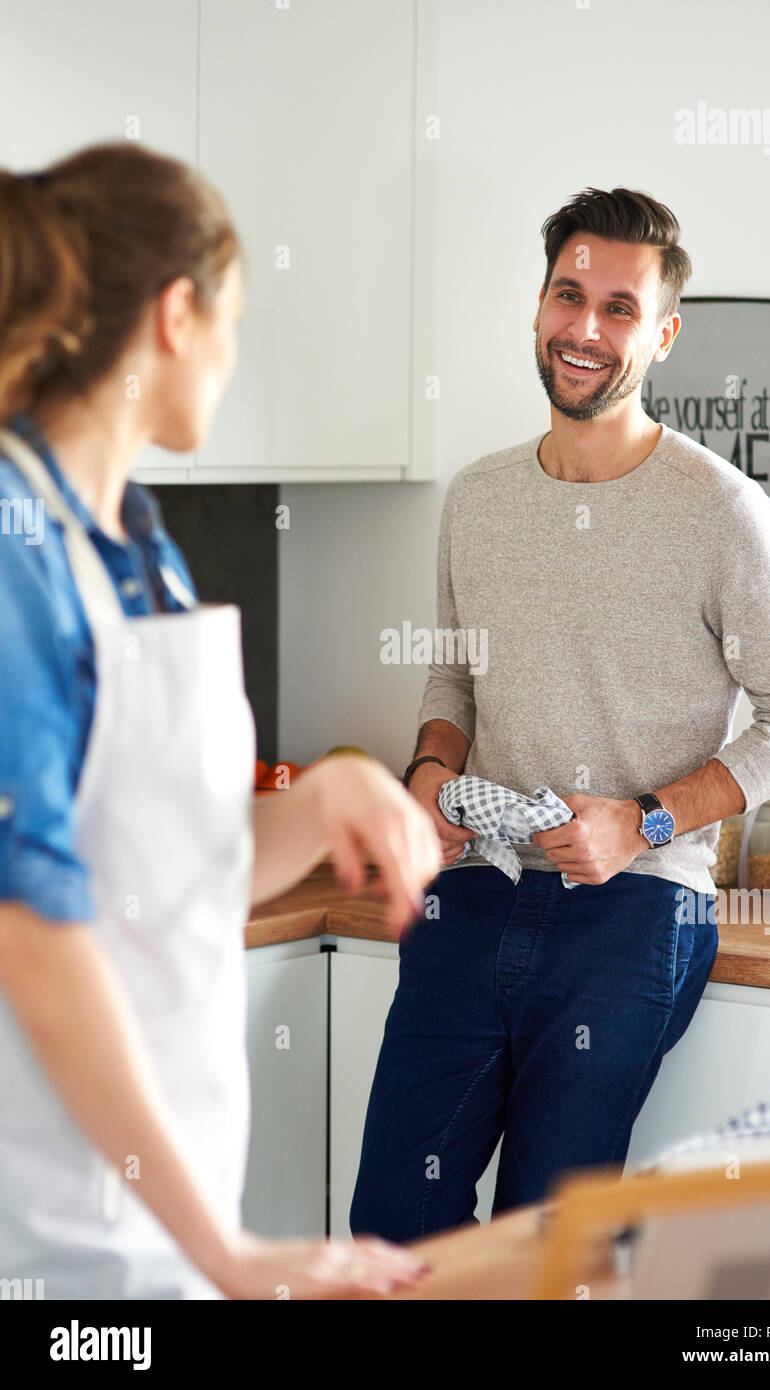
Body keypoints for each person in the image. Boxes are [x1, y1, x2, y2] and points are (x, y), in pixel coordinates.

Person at [350, 186, 770, 1241]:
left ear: (661, 335)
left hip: (632, 912)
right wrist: (429, 774)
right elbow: (453, 686)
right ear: (537, 307)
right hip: (471, 893)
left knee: (549, 1245)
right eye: (568, 295)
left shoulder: (720, 512)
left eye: (619, 308)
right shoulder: (478, 498)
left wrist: (644, 821)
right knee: (396, 1228)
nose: (585, 328)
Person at [0, 142, 441, 1299]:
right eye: (236, 322)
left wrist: (320, 804)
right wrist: (232, 1255)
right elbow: (32, 930)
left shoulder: (142, 543)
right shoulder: (14, 548)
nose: (237, 358)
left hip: (162, 1213)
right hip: (45, 1229)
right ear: (177, 314)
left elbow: (167, 871)